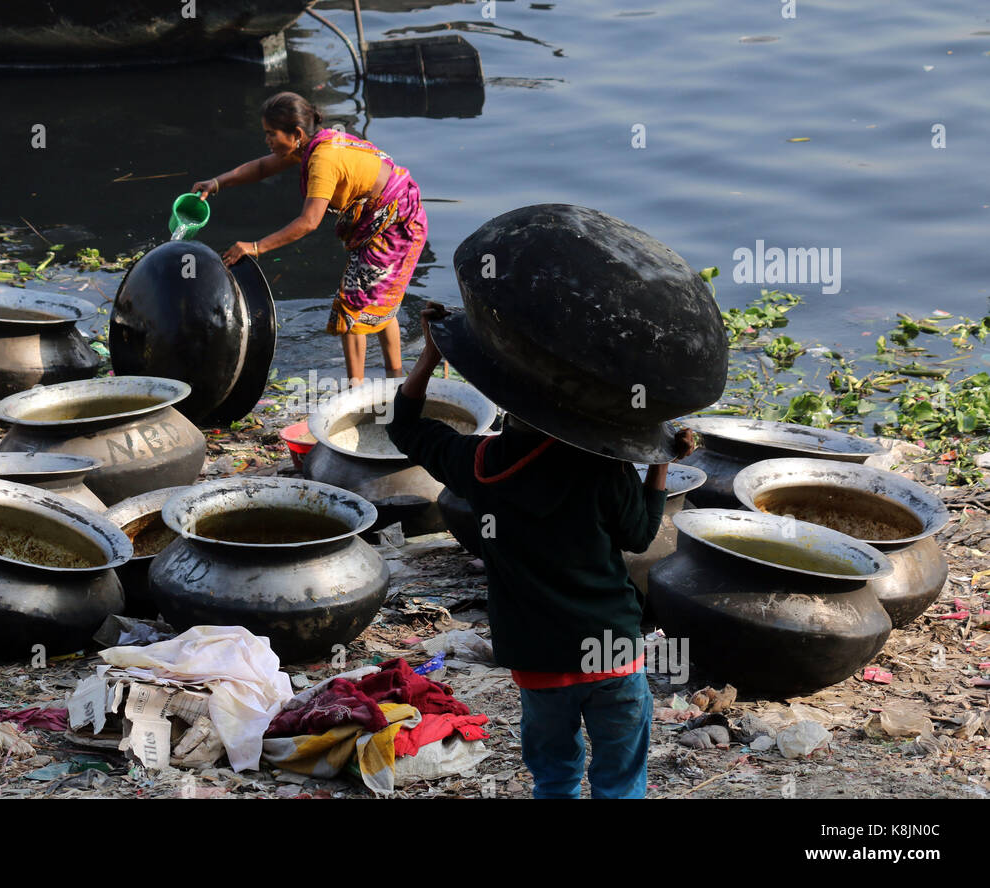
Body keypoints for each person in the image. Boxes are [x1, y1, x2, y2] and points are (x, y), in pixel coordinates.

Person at [387, 304, 697, 799]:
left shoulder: (479, 462)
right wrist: (660, 459)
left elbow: (403, 426)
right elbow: (640, 536)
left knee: (554, 779)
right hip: (611, 652)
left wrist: (430, 352)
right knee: (620, 784)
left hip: (537, 659)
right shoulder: (601, 468)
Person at [193, 91, 428, 384]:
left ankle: (356, 390)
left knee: (353, 308)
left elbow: (308, 222)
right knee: (379, 298)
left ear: (297, 134)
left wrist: (256, 247)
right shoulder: (313, 144)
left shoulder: (323, 160)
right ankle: (397, 379)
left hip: (396, 223)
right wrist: (217, 183)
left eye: (271, 134)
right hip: (391, 214)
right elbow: (263, 167)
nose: (267, 141)